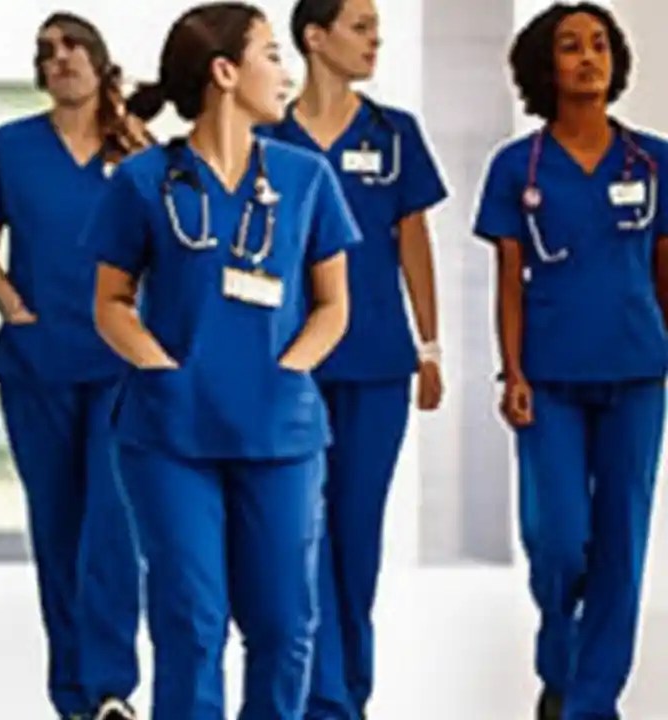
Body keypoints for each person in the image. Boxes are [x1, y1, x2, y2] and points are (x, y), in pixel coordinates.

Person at [88, 3, 359, 718]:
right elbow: (110, 301)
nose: (287, 71)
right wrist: (159, 369)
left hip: (281, 432)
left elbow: (334, 305)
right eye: (272, 54)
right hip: (171, 433)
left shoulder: (305, 180)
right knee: (189, 624)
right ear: (224, 71)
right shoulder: (145, 180)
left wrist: (291, 370)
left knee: (283, 625)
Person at [473, 5, 667, 720]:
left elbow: (666, 271)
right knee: (557, 539)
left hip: (639, 373)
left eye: (599, 45)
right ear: (543, 66)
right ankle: (561, 659)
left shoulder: (655, 162)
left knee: (621, 542)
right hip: (550, 379)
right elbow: (508, 283)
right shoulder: (515, 168)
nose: (589, 57)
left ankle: (589, 703)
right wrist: (513, 373)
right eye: (570, 46)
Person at [255, 1, 448, 717]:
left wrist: (428, 344)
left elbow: (413, 244)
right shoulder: (266, 133)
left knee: (356, 531)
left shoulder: (394, 135)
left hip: (375, 363)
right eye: (360, 28)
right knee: (299, 527)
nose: (374, 42)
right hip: (289, 363)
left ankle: (347, 688)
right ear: (315, 36)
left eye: (379, 31)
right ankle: (323, 694)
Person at [0, 12, 150, 720]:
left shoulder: (137, 153)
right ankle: (71, 691)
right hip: (37, 361)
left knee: (113, 524)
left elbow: (165, 251)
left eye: (72, 47)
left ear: (101, 63)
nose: (59, 59)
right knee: (58, 528)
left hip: (116, 367)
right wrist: (10, 303)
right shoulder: (10, 148)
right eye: (46, 53)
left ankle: (110, 687)